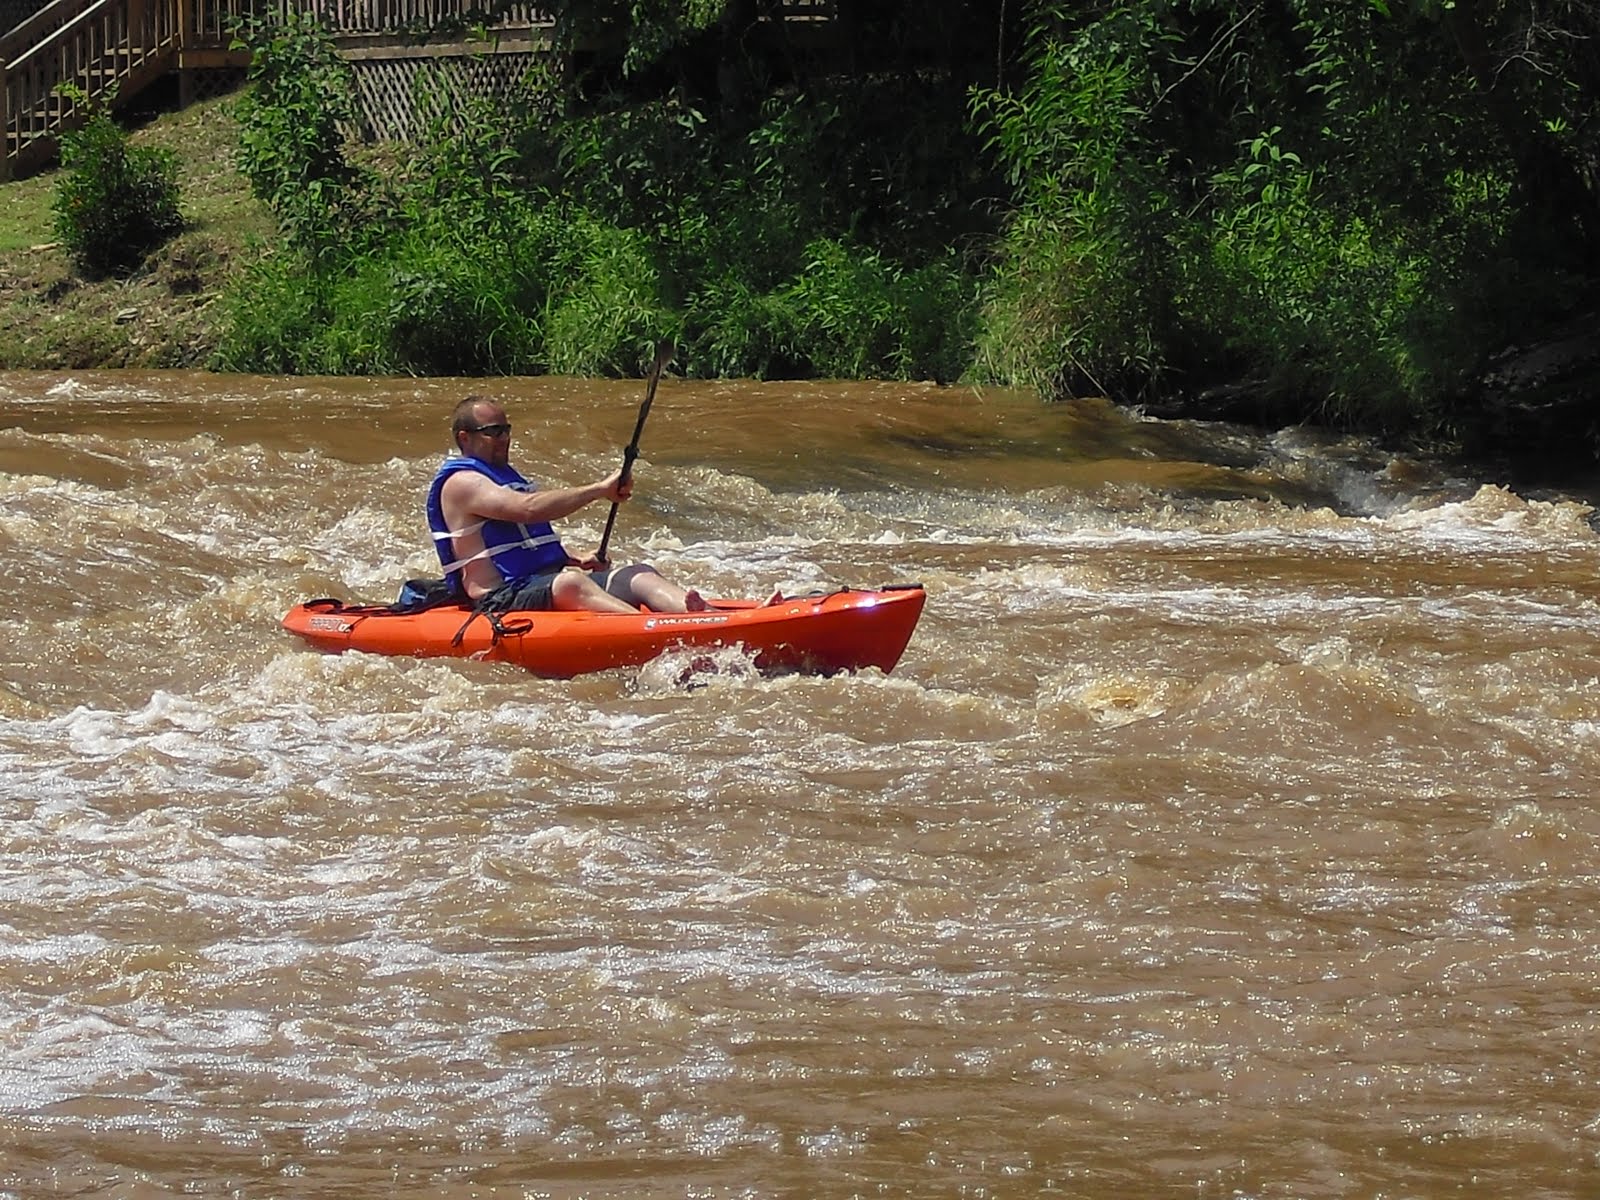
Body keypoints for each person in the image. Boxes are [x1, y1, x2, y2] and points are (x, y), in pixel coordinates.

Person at [426, 395, 710, 614]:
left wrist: (574, 557)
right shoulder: (462, 482)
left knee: (637, 574)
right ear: (465, 437)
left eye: (506, 429)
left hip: (536, 585)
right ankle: (661, 633)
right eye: (494, 431)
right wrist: (599, 490)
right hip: (498, 598)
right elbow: (528, 509)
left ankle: (697, 615)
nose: (505, 438)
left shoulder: (500, 476)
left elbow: (523, 542)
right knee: (571, 583)